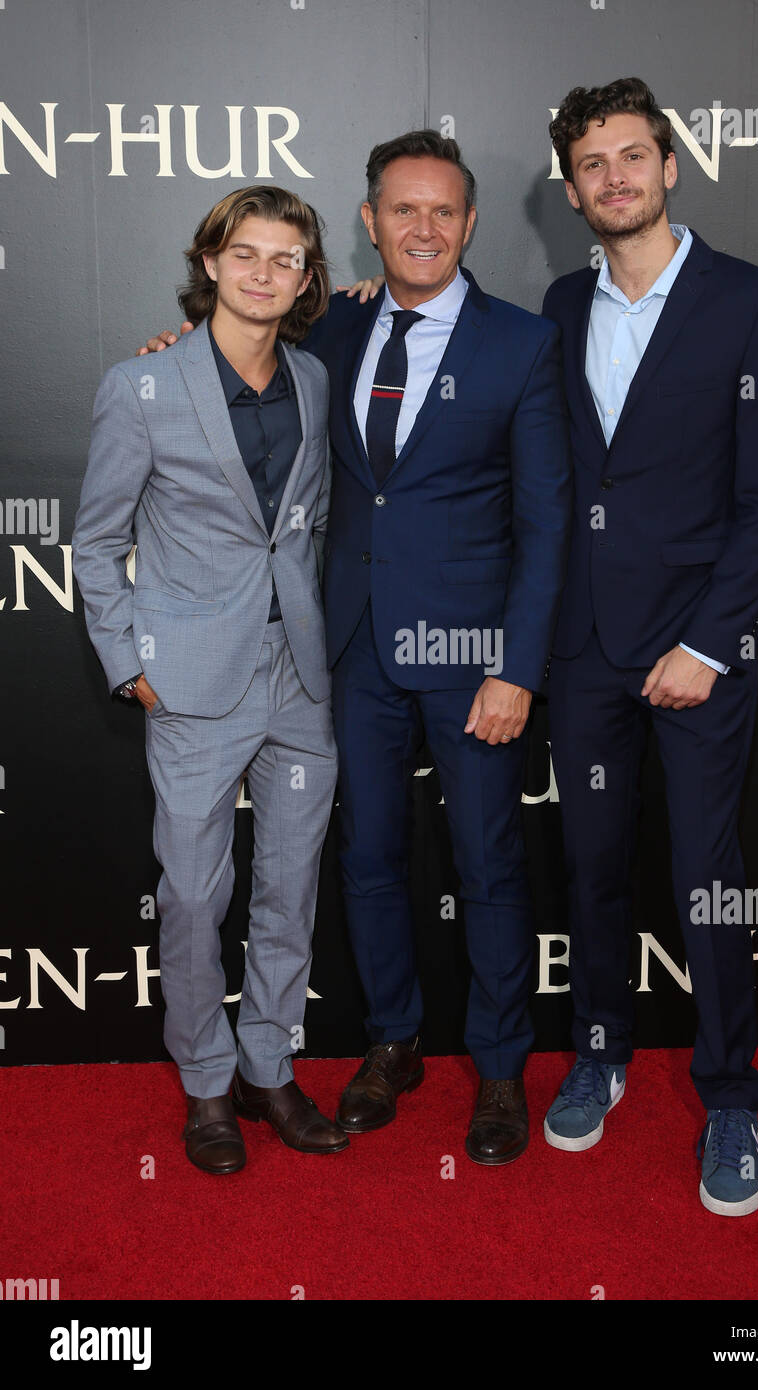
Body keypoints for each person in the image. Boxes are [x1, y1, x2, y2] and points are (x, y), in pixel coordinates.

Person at [142, 131, 571, 1165]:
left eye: (442, 211)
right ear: (370, 222)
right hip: (343, 651)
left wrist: (516, 665)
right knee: (368, 859)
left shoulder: (520, 344)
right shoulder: (326, 330)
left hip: (473, 657)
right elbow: (233, 363)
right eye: (400, 209)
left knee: (487, 863)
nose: (422, 227)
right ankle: (391, 1042)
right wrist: (175, 357)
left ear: (468, 226)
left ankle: (502, 1068)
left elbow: (549, 518)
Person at [540, 78, 758, 1215]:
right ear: (570, 186)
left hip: (699, 647)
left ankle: (731, 1098)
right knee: (592, 867)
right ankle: (600, 1050)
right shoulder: (554, 305)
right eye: (592, 164)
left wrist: (709, 638)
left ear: (670, 164)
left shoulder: (752, 300)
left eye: (631, 156)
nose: (614, 177)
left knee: (705, 881)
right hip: (582, 646)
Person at [73, 186, 348, 1174]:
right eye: (246, 253)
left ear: (308, 278)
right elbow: (96, 543)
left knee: (288, 887)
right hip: (188, 683)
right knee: (193, 895)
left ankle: (270, 1065)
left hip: (299, 680)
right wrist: (128, 665)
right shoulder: (141, 385)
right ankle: (204, 1084)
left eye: (286, 258)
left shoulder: (316, 381)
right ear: (211, 260)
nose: (264, 272)